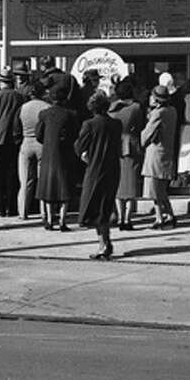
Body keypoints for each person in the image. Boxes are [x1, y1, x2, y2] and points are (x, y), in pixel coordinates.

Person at [76, 93, 123, 260]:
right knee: (106, 204)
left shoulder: (89, 125)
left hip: (95, 169)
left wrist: (85, 157)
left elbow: (80, 146)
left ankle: (103, 244)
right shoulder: (116, 124)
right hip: (113, 168)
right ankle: (106, 241)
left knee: (95, 207)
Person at [36, 74, 80, 231]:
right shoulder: (71, 114)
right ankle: (62, 220)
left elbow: (38, 135)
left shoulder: (44, 114)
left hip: (48, 153)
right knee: (64, 187)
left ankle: (48, 219)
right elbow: (75, 134)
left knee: (48, 187)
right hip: (65, 154)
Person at [0, 66, 24, 217]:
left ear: (1, 82)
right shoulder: (19, 97)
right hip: (14, 140)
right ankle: (11, 207)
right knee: (12, 175)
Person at [141, 84, 179, 229]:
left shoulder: (158, 113)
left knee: (154, 189)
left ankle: (159, 217)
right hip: (167, 150)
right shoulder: (172, 111)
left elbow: (147, 134)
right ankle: (168, 214)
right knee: (161, 188)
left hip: (155, 152)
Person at [108, 80, 145, 230]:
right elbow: (140, 126)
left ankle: (119, 216)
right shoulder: (136, 108)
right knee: (131, 185)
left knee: (118, 185)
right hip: (131, 145)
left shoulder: (112, 108)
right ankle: (127, 219)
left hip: (116, 146)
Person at [15, 79, 47, 220]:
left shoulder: (23, 108)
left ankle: (23, 212)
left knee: (25, 180)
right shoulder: (46, 107)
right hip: (42, 143)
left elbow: (16, 127)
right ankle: (44, 212)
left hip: (26, 141)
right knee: (42, 180)